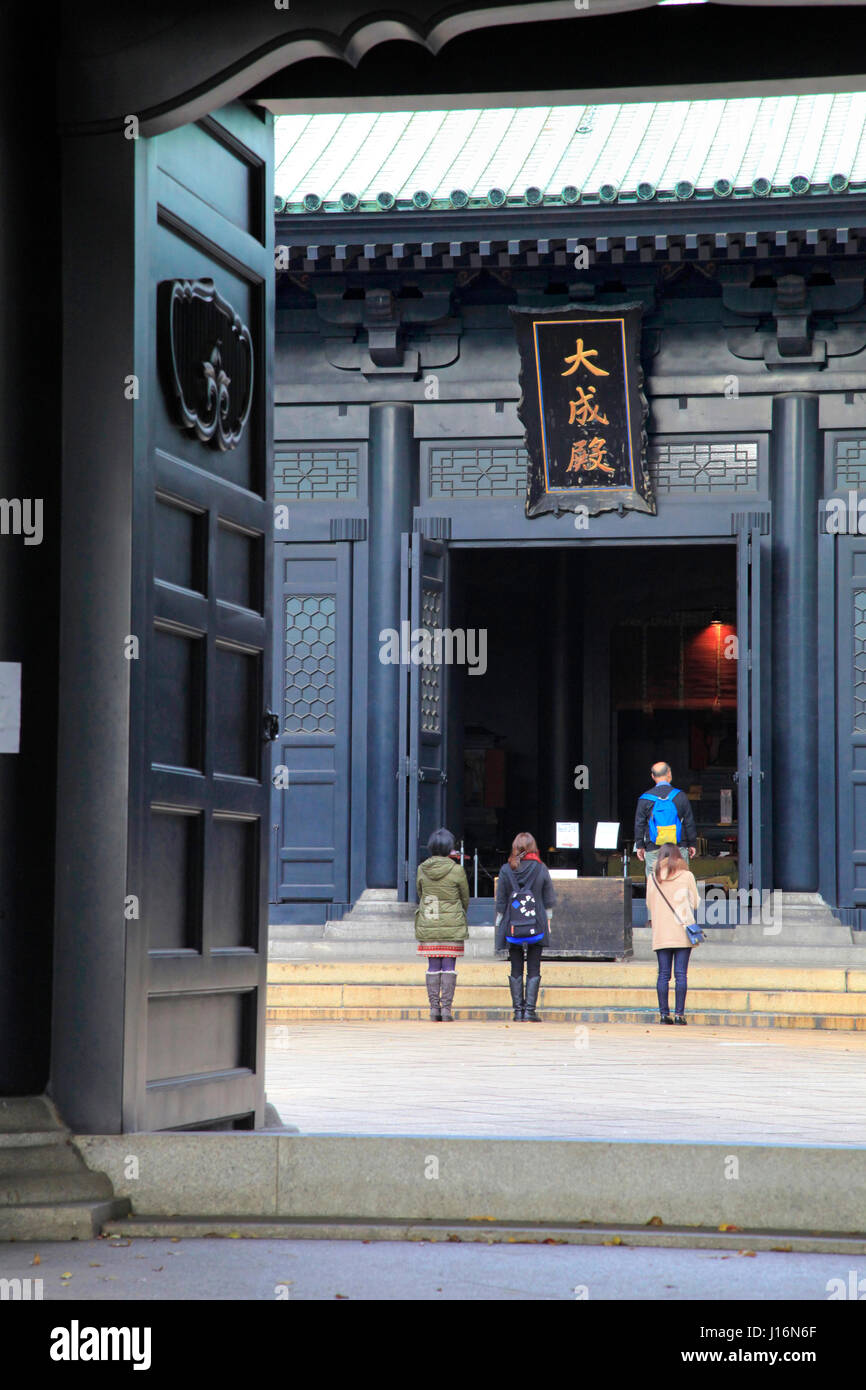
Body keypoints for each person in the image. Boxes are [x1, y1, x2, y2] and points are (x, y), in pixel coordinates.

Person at [494, 832, 555, 1022]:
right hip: (536, 922)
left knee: (515, 967)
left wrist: (499, 924)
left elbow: (501, 902)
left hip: (513, 924)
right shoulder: (540, 868)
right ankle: (530, 1011)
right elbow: (549, 900)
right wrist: (549, 921)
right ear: (533, 847)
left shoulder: (506, 869)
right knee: (534, 967)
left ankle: (517, 1011)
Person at [415, 828, 469, 1022]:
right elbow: (465, 898)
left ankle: (433, 1009)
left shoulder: (422, 868)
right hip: (452, 923)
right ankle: (446, 1009)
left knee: (432, 964)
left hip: (429, 920)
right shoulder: (456, 870)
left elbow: (420, 893)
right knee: (449, 964)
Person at [646, 843, 700, 1025]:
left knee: (663, 974)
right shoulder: (687, 876)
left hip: (661, 931)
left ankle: (663, 1014)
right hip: (682, 930)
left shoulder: (653, 877)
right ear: (679, 857)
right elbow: (695, 903)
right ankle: (679, 1015)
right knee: (681, 974)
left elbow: (648, 904)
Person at [634, 761, 698, 880]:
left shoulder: (645, 799)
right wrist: (692, 844)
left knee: (655, 882)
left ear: (652, 776)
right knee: (681, 881)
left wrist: (640, 846)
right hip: (678, 847)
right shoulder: (681, 796)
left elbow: (639, 824)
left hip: (653, 847)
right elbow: (689, 822)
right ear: (669, 774)